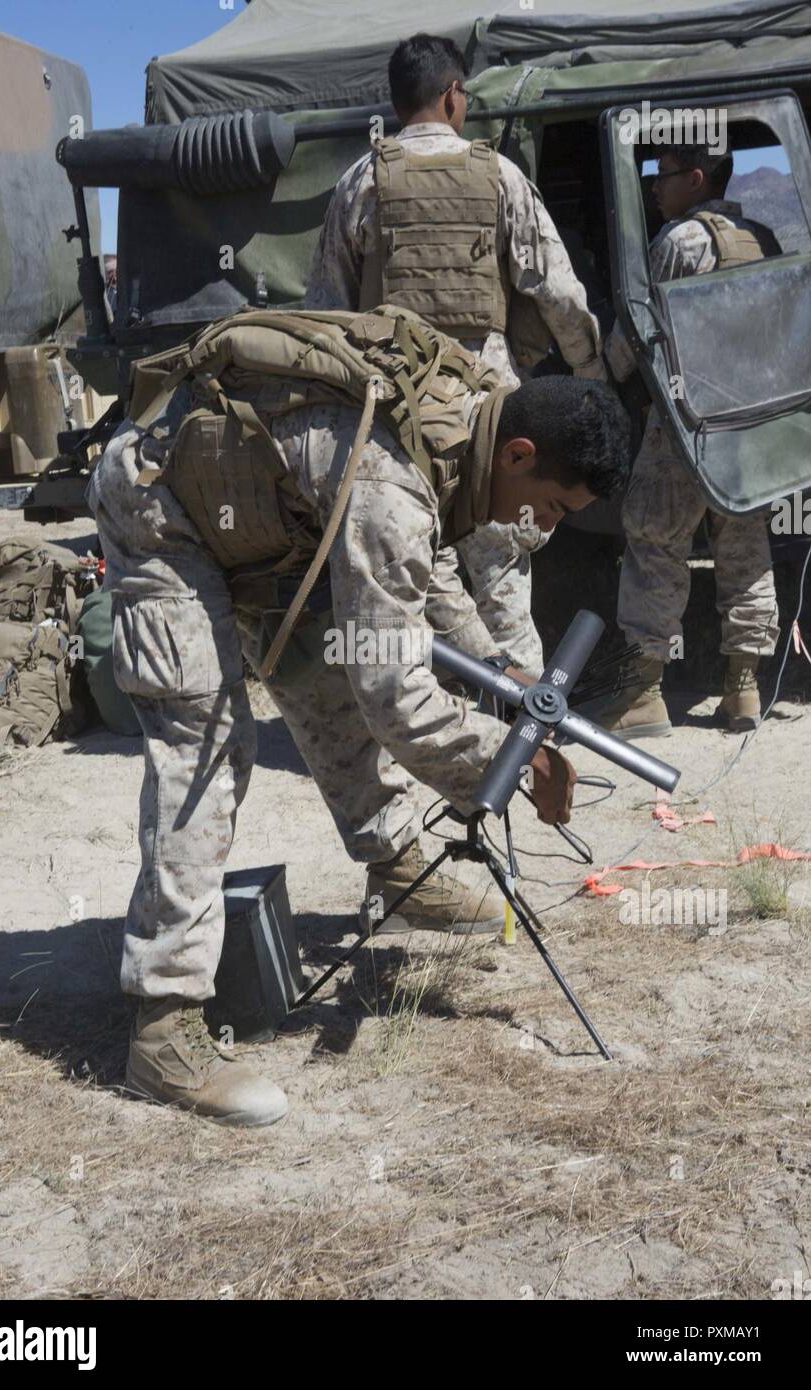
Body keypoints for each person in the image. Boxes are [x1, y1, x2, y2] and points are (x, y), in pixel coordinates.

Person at [88, 309, 631, 1127]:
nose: (546, 528)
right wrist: (512, 761)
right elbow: (397, 696)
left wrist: (499, 666)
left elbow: (423, 565)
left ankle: (396, 867)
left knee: (323, 670)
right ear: (518, 455)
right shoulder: (389, 489)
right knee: (208, 738)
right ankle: (163, 1030)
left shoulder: (473, 414)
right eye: (550, 506)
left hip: (277, 519)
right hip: (162, 509)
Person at [306, 31, 607, 679]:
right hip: (493, 438)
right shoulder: (499, 176)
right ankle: (523, 734)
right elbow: (558, 294)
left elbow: (325, 320)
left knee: (407, 600)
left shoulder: (361, 181)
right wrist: (592, 378)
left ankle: (428, 729)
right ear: (452, 96)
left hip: (398, 440)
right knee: (503, 594)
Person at [601, 142, 782, 738]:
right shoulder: (762, 238)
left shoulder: (680, 243)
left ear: (697, 179)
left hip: (684, 423)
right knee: (745, 549)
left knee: (655, 544)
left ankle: (647, 694)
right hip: (750, 423)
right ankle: (744, 689)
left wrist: (601, 371)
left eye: (664, 175)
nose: (654, 187)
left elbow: (638, 330)